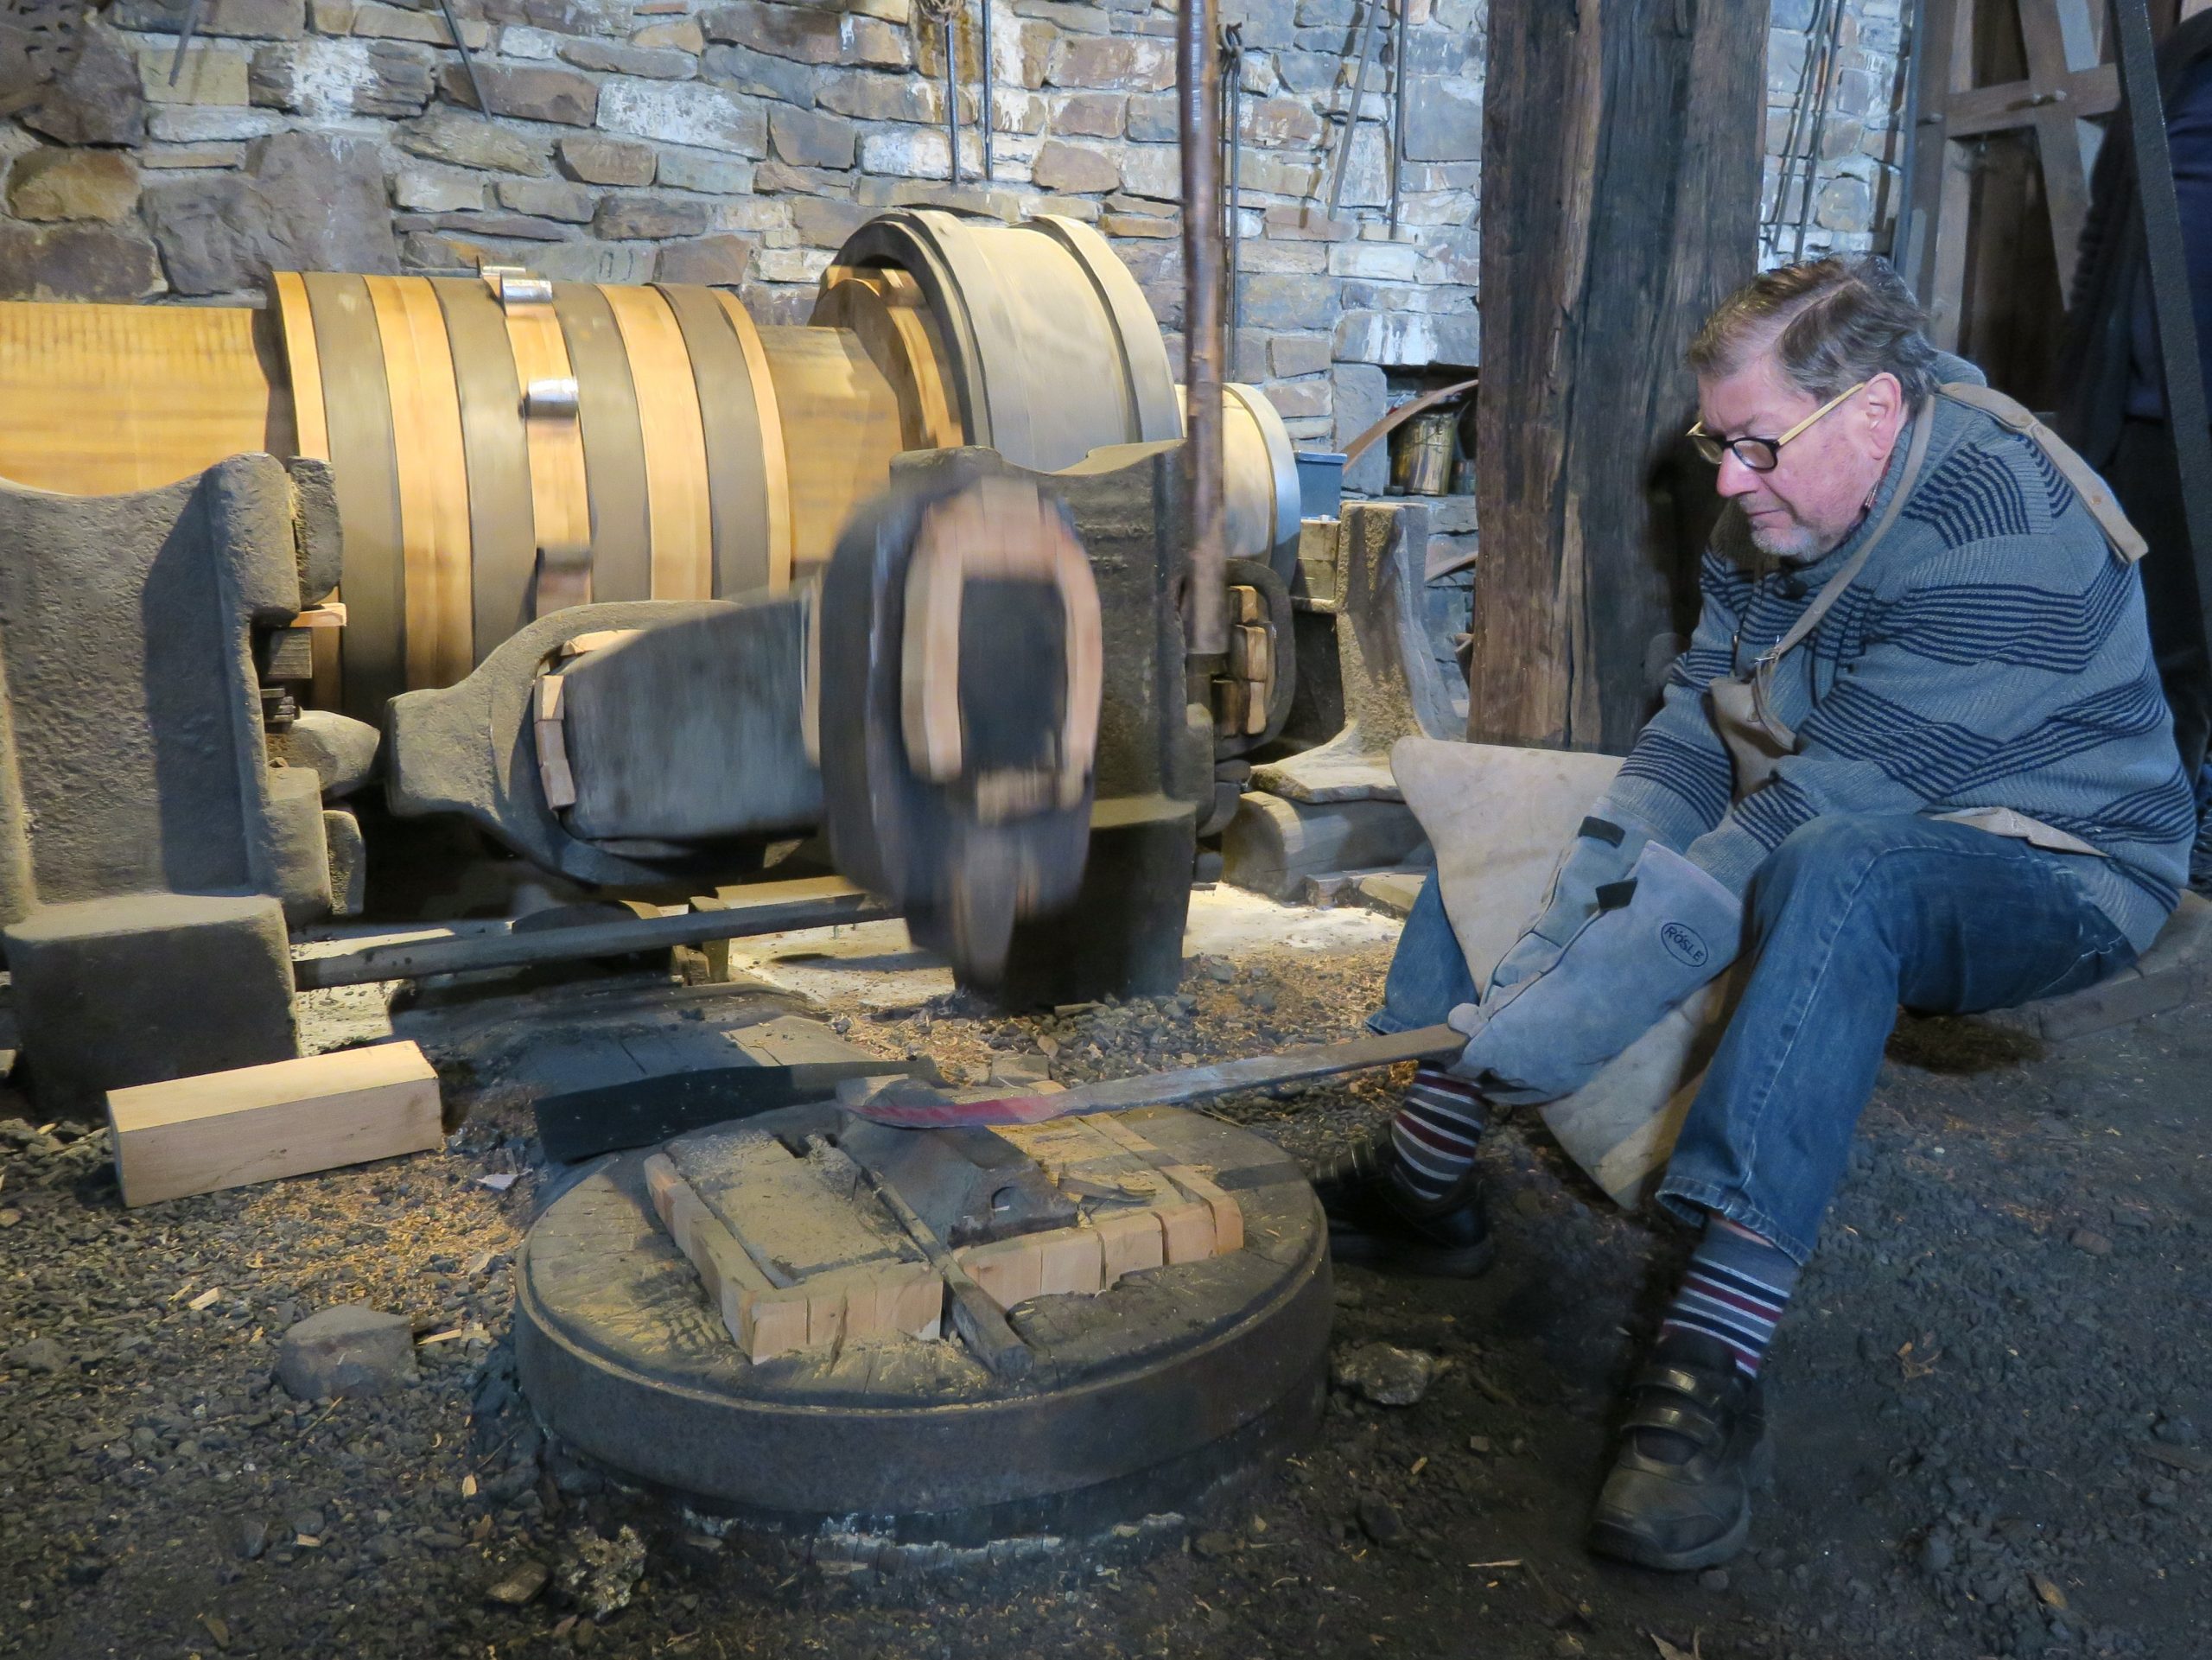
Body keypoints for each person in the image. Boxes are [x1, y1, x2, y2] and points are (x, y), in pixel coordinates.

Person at [1320, 256, 2196, 1573]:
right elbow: (1691, 730)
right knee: (1488, 794)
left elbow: (1791, 828)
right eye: (1717, 444)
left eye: (1757, 445)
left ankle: (1708, 1361)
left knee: (1842, 875)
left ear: (1881, 412)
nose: (1728, 483)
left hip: (2048, 853)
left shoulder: (2003, 522)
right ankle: (1425, 1176)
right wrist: (1556, 934)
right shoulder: (1775, 493)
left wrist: (1576, 1007)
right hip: (1823, 794)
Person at [2054, 0, 2212, 865]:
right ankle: (2156, 836)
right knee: (2157, 649)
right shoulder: (2185, 57)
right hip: (2148, 420)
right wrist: (2083, 390)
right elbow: (2108, 232)